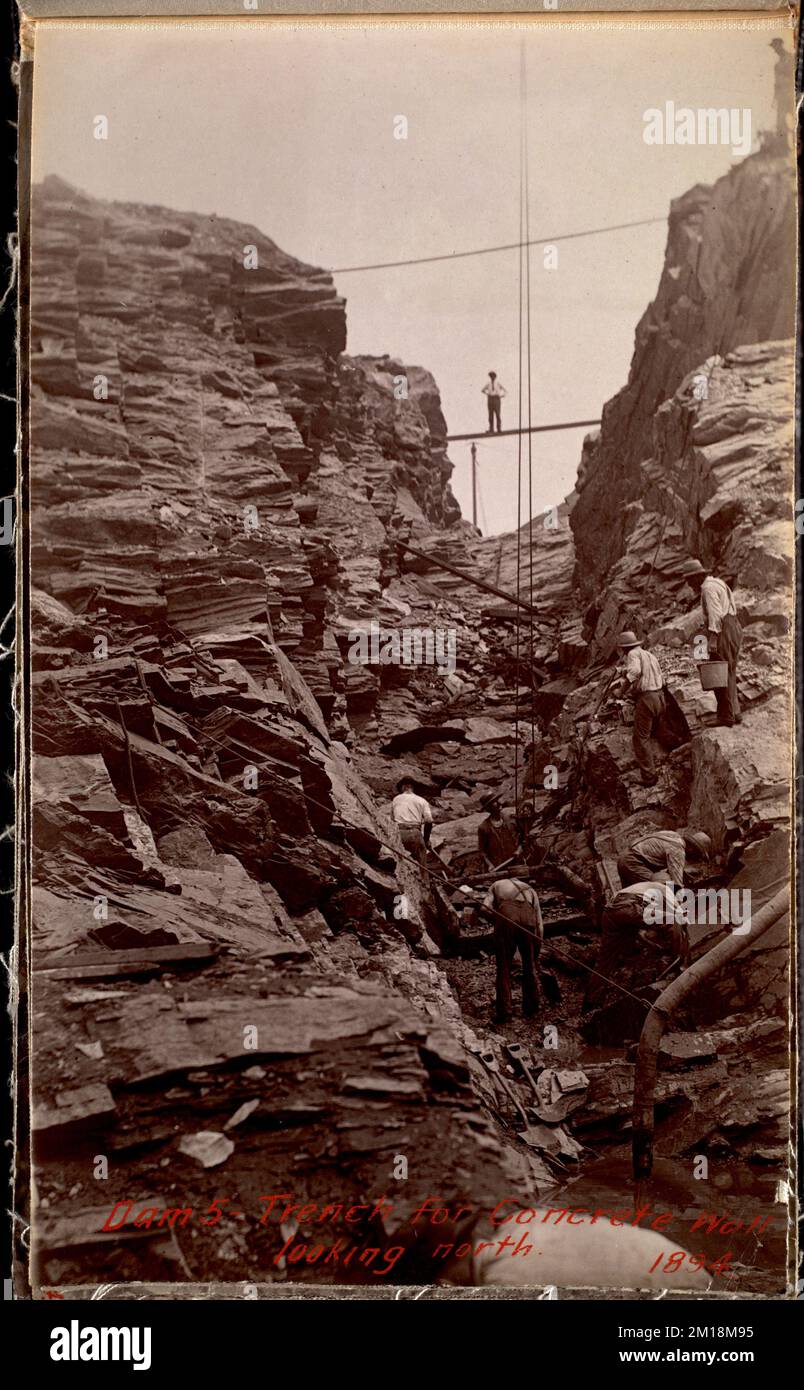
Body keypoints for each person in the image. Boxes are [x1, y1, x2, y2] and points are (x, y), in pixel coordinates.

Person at [479, 878, 543, 1023]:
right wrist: (536, 953)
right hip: (528, 919)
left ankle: (505, 1012)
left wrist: (499, 921)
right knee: (529, 966)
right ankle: (532, 1009)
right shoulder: (531, 890)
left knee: (504, 967)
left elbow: (483, 909)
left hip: (506, 916)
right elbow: (539, 926)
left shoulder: (496, 885)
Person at [611, 631, 666, 786]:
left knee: (640, 738)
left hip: (648, 699)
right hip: (660, 697)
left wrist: (621, 691)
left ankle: (649, 777)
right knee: (657, 731)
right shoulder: (649, 655)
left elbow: (635, 671)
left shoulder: (632, 655)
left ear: (624, 648)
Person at [700, 573, 742, 727]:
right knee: (730, 671)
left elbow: (716, 614)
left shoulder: (708, 588)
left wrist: (713, 637)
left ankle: (725, 717)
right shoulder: (718, 582)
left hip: (723, 630)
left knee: (719, 672)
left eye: (689, 580)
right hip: (734, 626)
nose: (690, 585)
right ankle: (735, 713)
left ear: (694, 578)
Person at [617, 827, 712, 889]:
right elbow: (677, 883)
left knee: (628, 896)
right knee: (661, 888)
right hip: (634, 862)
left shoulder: (672, 835)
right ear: (692, 849)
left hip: (625, 857)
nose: (694, 857)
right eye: (697, 853)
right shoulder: (678, 850)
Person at [391, 776, 433, 872]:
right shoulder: (422, 801)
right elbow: (429, 821)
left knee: (400, 862)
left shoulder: (396, 799)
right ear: (412, 787)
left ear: (404, 787)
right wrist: (426, 839)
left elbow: (392, 820)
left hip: (399, 833)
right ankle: (425, 884)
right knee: (422, 862)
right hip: (415, 833)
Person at [477, 792, 520, 870]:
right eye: (494, 802)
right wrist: (489, 865)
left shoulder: (510, 819)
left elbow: (523, 837)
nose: (499, 803)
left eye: (498, 800)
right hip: (498, 867)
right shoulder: (484, 828)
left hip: (515, 863)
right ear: (488, 808)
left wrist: (519, 850)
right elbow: (482, 851)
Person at [771, 38, 795, 145]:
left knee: (795, 118)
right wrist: (775, 98)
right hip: (782, 96)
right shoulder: (777, 65)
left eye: (775, 47)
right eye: (774, 47)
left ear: (780, 45)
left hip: (790, 94)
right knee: (780, 121)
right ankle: (784, 146)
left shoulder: (790, 58)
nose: (775, 50)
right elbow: (776, 84)